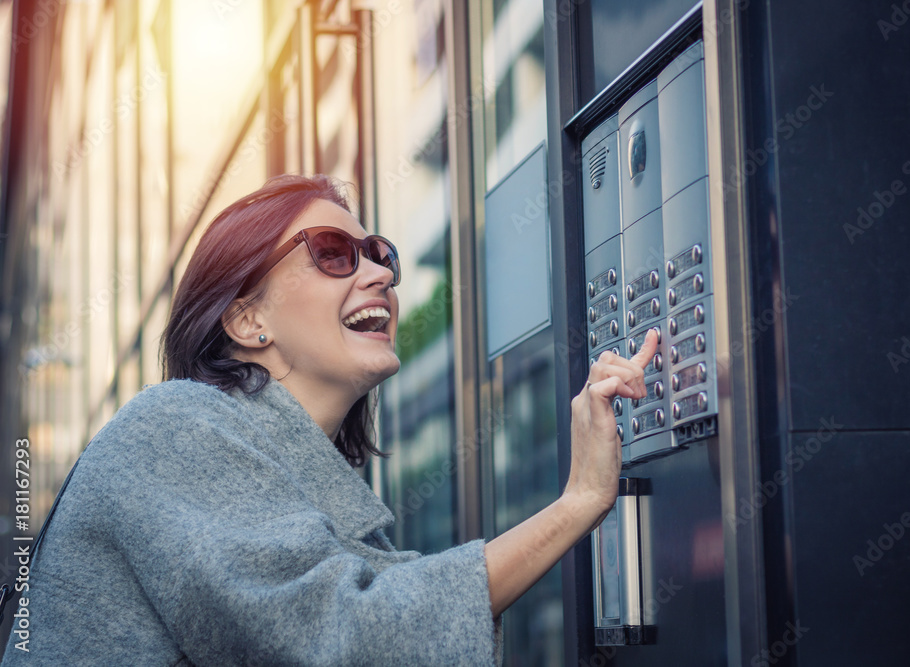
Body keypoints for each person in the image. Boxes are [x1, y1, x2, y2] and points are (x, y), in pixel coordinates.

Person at [1, 174, 657, 665]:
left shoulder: (265, 466)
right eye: (334, 251)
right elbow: (345, 631)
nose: (378, 272)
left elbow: (381, 603)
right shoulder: (172, 428)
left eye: (380, 254)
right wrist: (579, 501)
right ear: (246, 319)